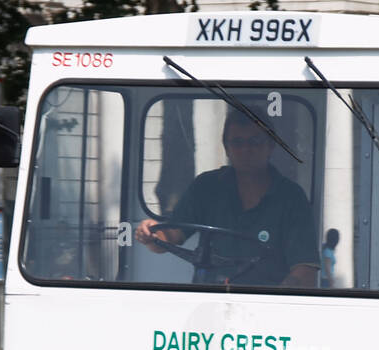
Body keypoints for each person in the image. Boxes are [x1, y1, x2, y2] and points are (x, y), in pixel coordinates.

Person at [135, 110, 319, 287]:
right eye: (237, 143)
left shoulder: (291, 197)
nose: (246, 149)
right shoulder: (206, 186)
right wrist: (152, 234)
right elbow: (172, 235)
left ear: (270, 146)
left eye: (255, 141)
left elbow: (305, 269)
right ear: (227, 149)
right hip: (209, 300)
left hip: (267, 305)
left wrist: (279, 296)